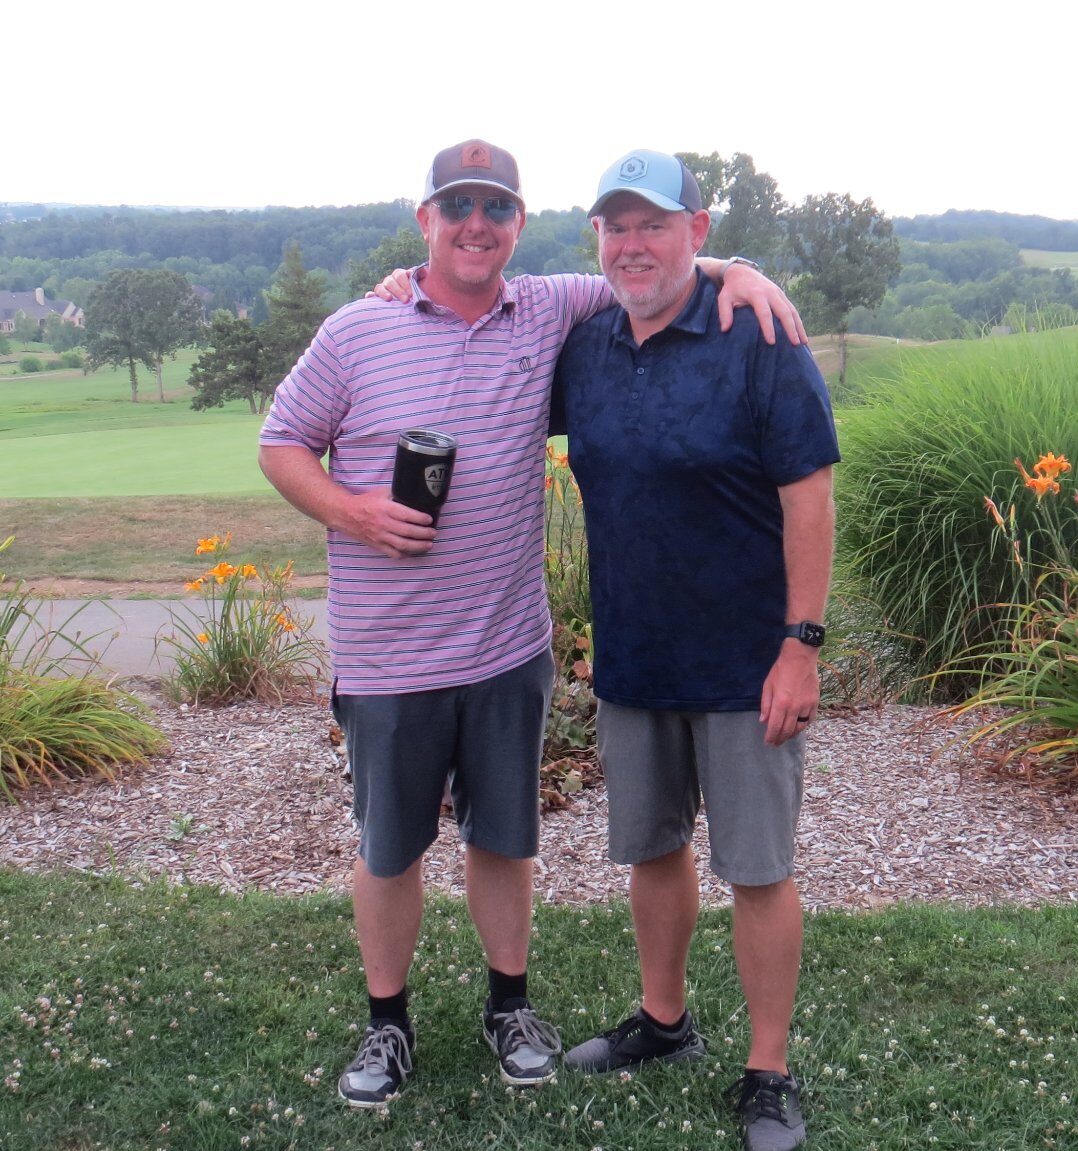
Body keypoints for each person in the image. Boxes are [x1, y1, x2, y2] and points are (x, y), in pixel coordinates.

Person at [257, 138, 805, 1110]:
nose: (477, 224)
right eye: (457, 205)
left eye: (497, 207)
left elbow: (657, 268)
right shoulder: (357, 329)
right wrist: (353, 512)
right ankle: (387, 1022)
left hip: (508, 650)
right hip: (388, 655)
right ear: (425, 219)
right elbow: (281, 441)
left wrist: (741, 269)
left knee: (504, 840)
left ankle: (511, 1008)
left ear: (519, 223)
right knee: (388, 848)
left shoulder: (550, 309)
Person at [552, 150, 838, 1151]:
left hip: (745, 661)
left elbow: (809, 497)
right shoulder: (585, 345)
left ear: (697, 230)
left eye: (654, 224)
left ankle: (767, 1069)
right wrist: (398, 284)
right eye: (615, 226)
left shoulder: (757, 334)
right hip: (634, 654)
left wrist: (800, 646)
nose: (632, 244)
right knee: (652, 847)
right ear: (596, 238)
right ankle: (663, 1019)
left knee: (756, 867)